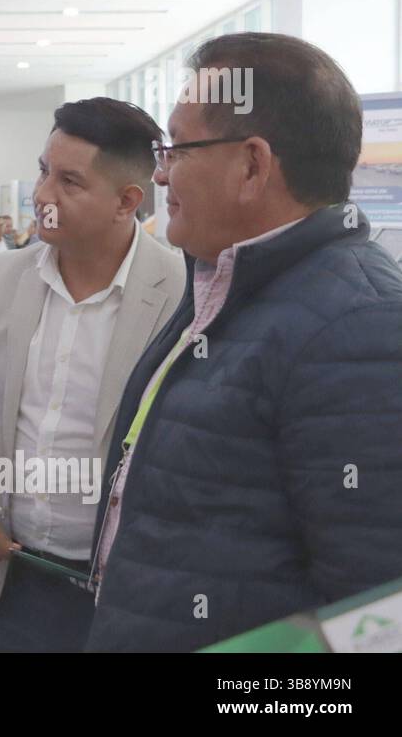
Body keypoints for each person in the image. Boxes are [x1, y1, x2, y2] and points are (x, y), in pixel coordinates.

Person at [88, 34, 402, 652]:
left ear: (253, 165)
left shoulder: (359, 328)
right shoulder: (220, 286)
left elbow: (377, 614)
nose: (159, 172)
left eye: (176, 148)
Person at [0, 97, 185, 652]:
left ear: (127, 201)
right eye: (43, 170)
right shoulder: (5, 277)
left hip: (136, 590)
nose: (41, 195)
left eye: (69, 182)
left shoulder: (181, 291)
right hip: (17, 579)